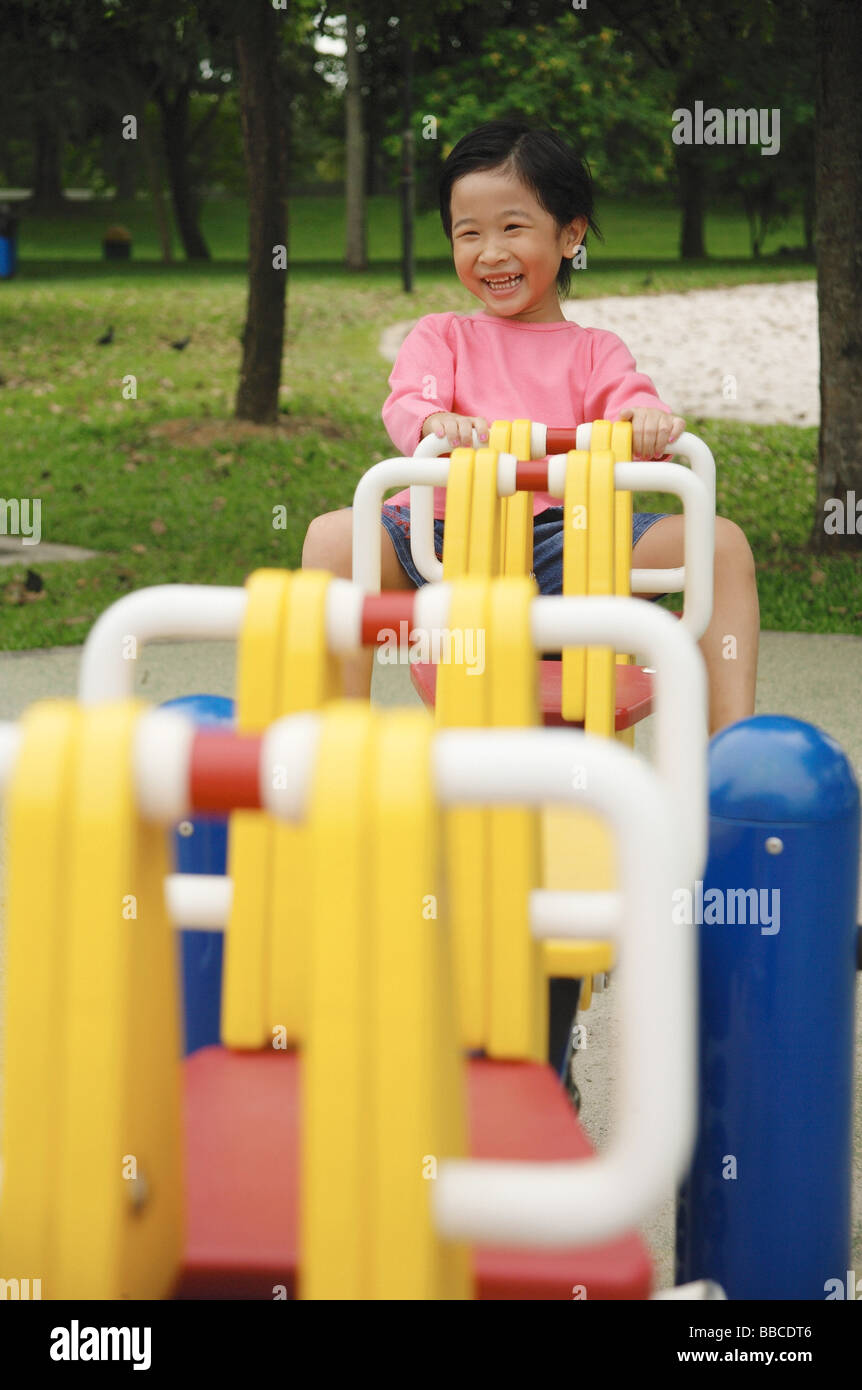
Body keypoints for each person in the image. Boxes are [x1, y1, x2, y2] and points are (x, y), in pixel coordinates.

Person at [303, 117, 759, 735]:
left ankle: (729, 758)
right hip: (440, 537)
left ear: (570, 235)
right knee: (333, 538)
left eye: (512, 227)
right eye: (469, 234)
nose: (490, 252)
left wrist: (645, 425)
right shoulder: (443, 335)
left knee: (721, 543)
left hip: (567, 543)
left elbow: (631, 411)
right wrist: (436, 422)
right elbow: (410, 400)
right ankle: (332, 748)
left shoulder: (596, 351)